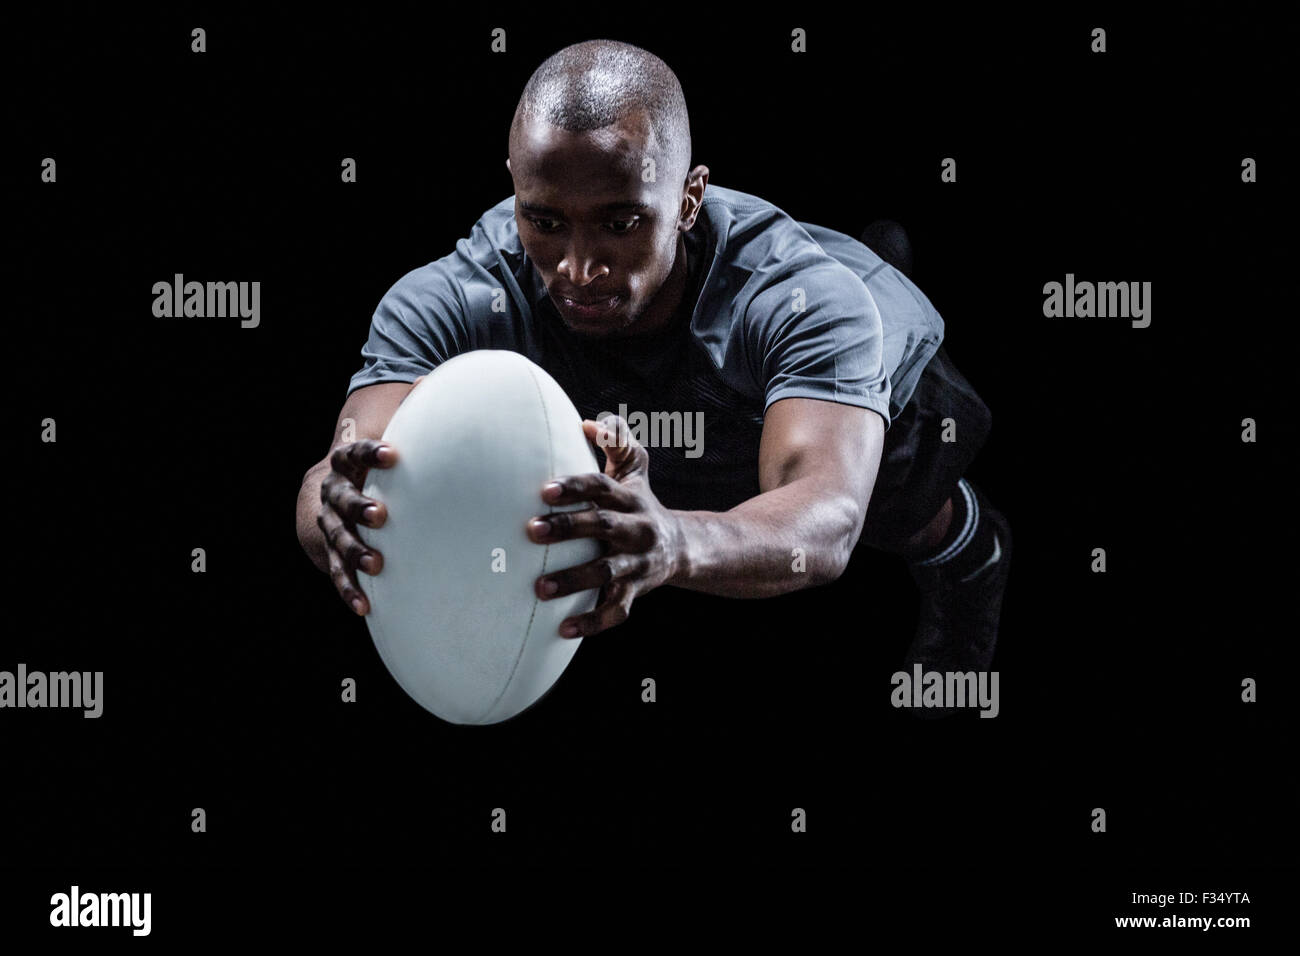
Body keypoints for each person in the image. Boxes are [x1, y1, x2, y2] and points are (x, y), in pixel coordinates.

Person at [294, 38, 1011, 696]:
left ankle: (972, 553)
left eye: (622, 222)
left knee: (897, 501)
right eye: (544, 221)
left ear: (689, 199)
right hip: (667, 391)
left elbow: (824, 522)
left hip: (801, 357)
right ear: (515, 188)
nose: (578, 268)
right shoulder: (454, 294)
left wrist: (676, 540)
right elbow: (345, 463)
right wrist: (330, 502)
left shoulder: (806, 303)